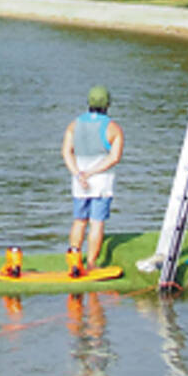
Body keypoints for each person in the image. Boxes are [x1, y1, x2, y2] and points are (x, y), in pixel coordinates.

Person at [62, 85, 125, 276]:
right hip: (101, 183)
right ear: (107, 104)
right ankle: (91, 263)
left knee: (79, 220)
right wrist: (91, 173)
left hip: (79, 182)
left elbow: (66, 152)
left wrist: (78, 174)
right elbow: (114, 158)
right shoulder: (113, 128)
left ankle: (74, 260)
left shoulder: (74, 125)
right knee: (96, 222)